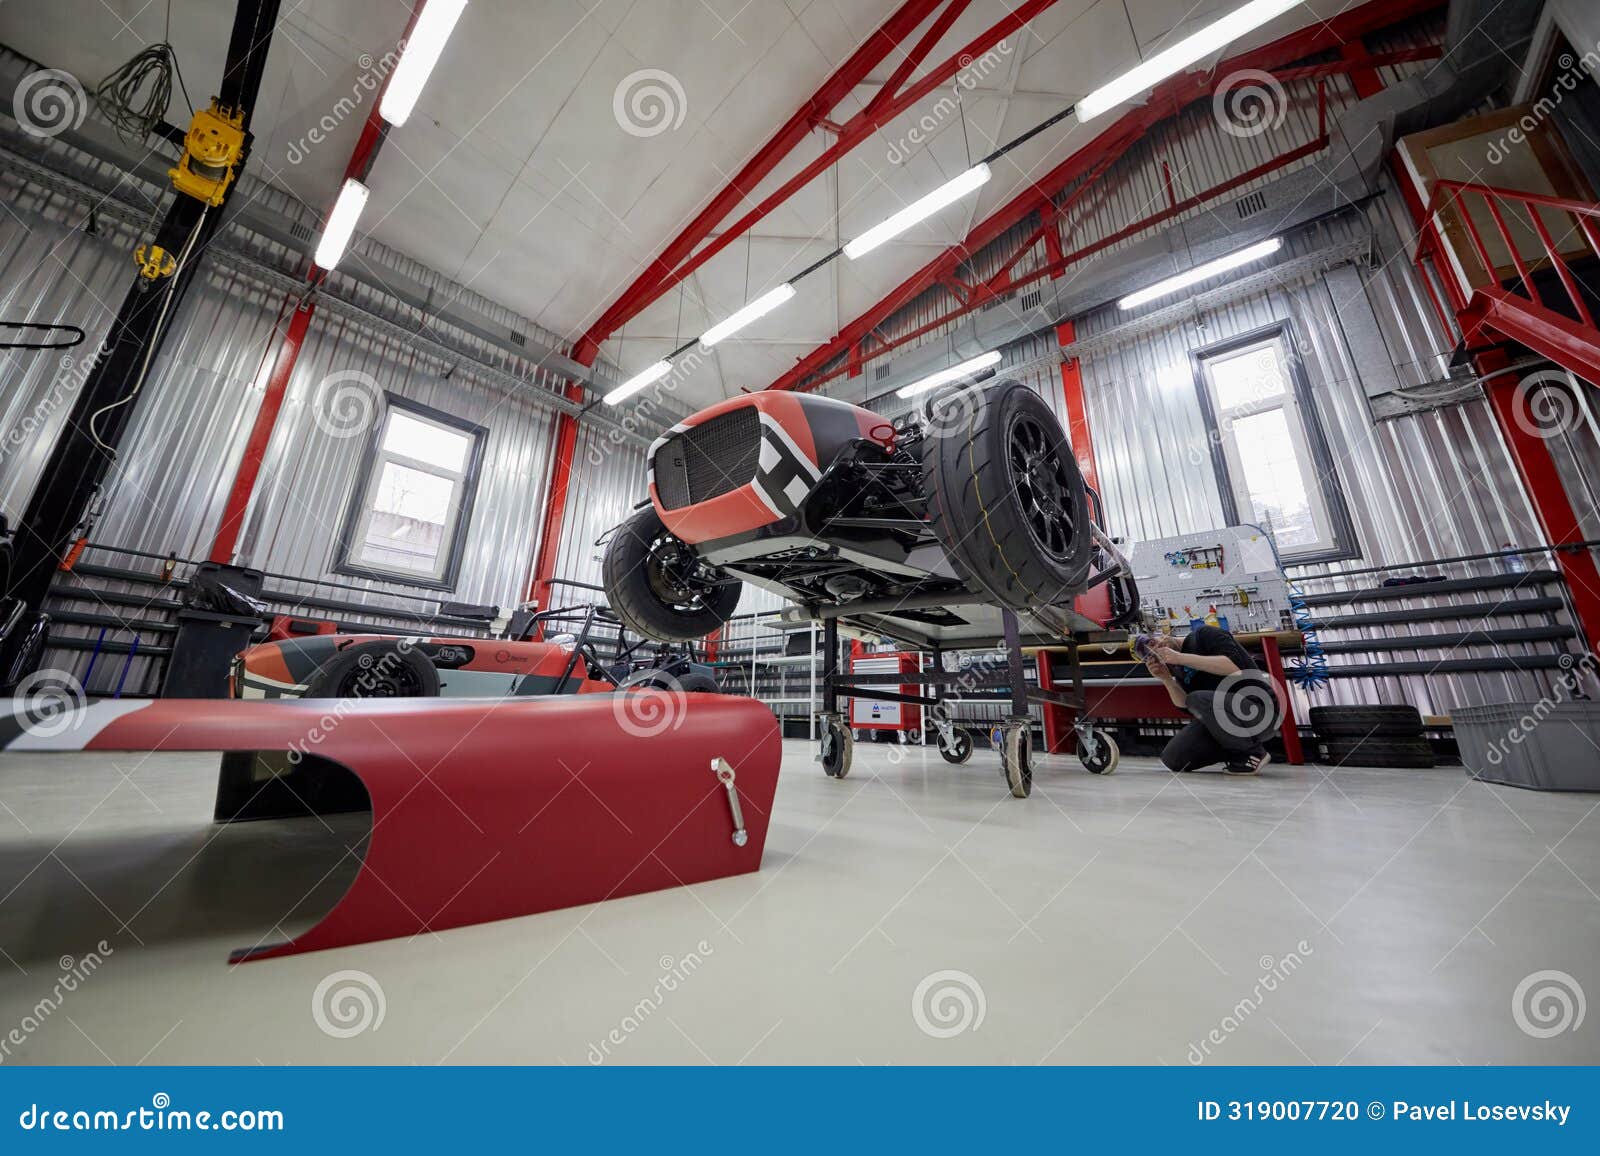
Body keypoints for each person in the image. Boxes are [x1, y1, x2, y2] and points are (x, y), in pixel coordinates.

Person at [1142, 625, 1277, 774]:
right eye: (1150, 652)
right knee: (1172, 759)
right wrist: (1166, 679)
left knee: (1197, 698)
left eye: (1153, 642)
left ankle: (1251, 752)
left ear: (1162, 633)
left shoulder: (1204, 635)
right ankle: (1235, 753)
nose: (1156, 648)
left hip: (1260, 711)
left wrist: (1180, 658)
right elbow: (1185, 705)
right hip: (1225, 723)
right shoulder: (1177, 666)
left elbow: (1234, 669)